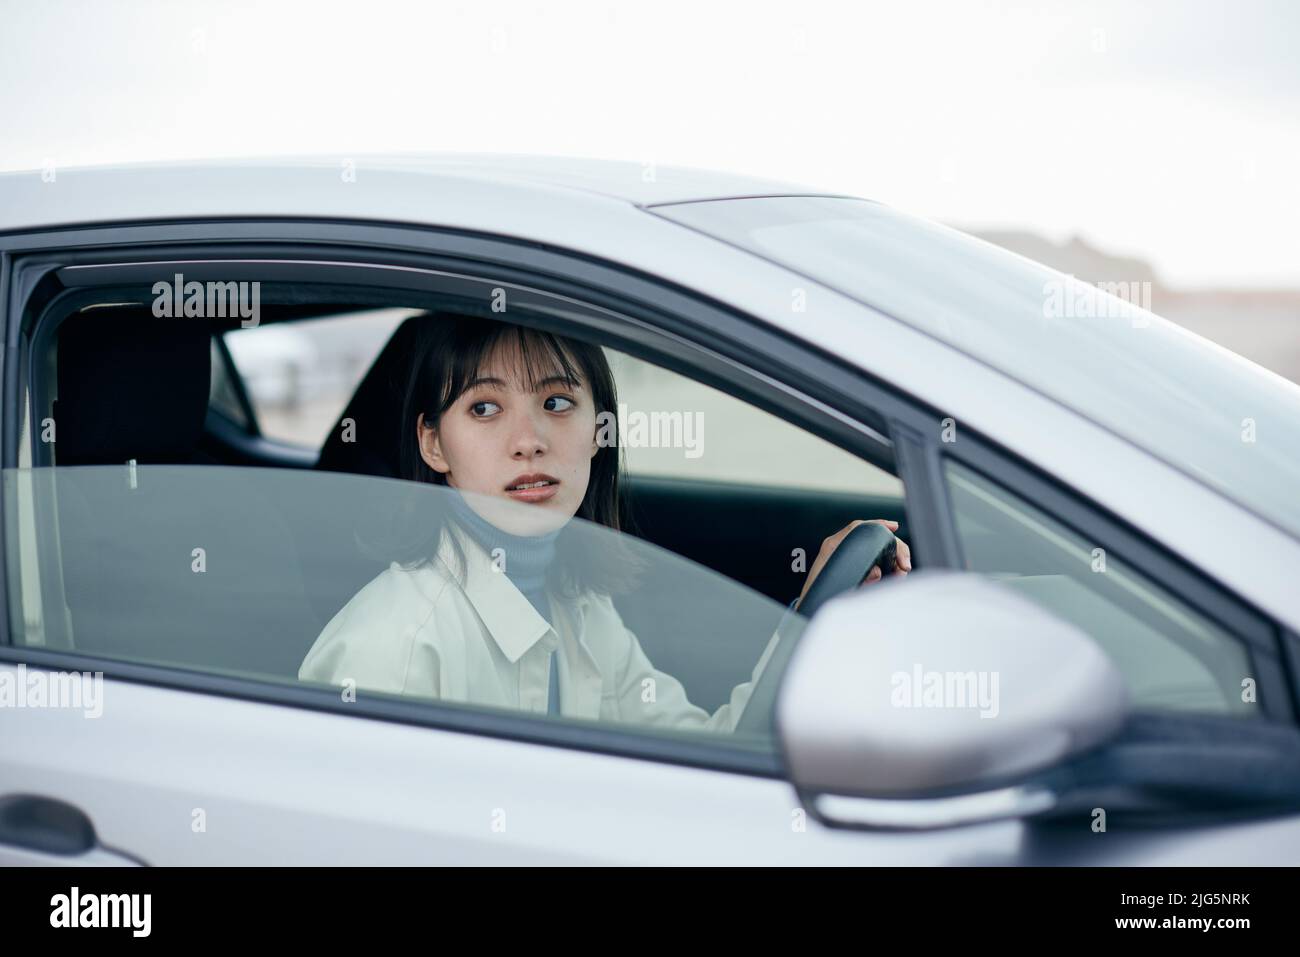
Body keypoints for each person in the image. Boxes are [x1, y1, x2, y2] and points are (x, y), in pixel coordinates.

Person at [298, 313, 910, 731]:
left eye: (557, 403)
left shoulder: (578, 608)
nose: (528, 441)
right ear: (434, 446)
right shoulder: (394, 651)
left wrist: (812, 614)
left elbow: (704, 761)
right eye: (484, 408)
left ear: (600, 431)